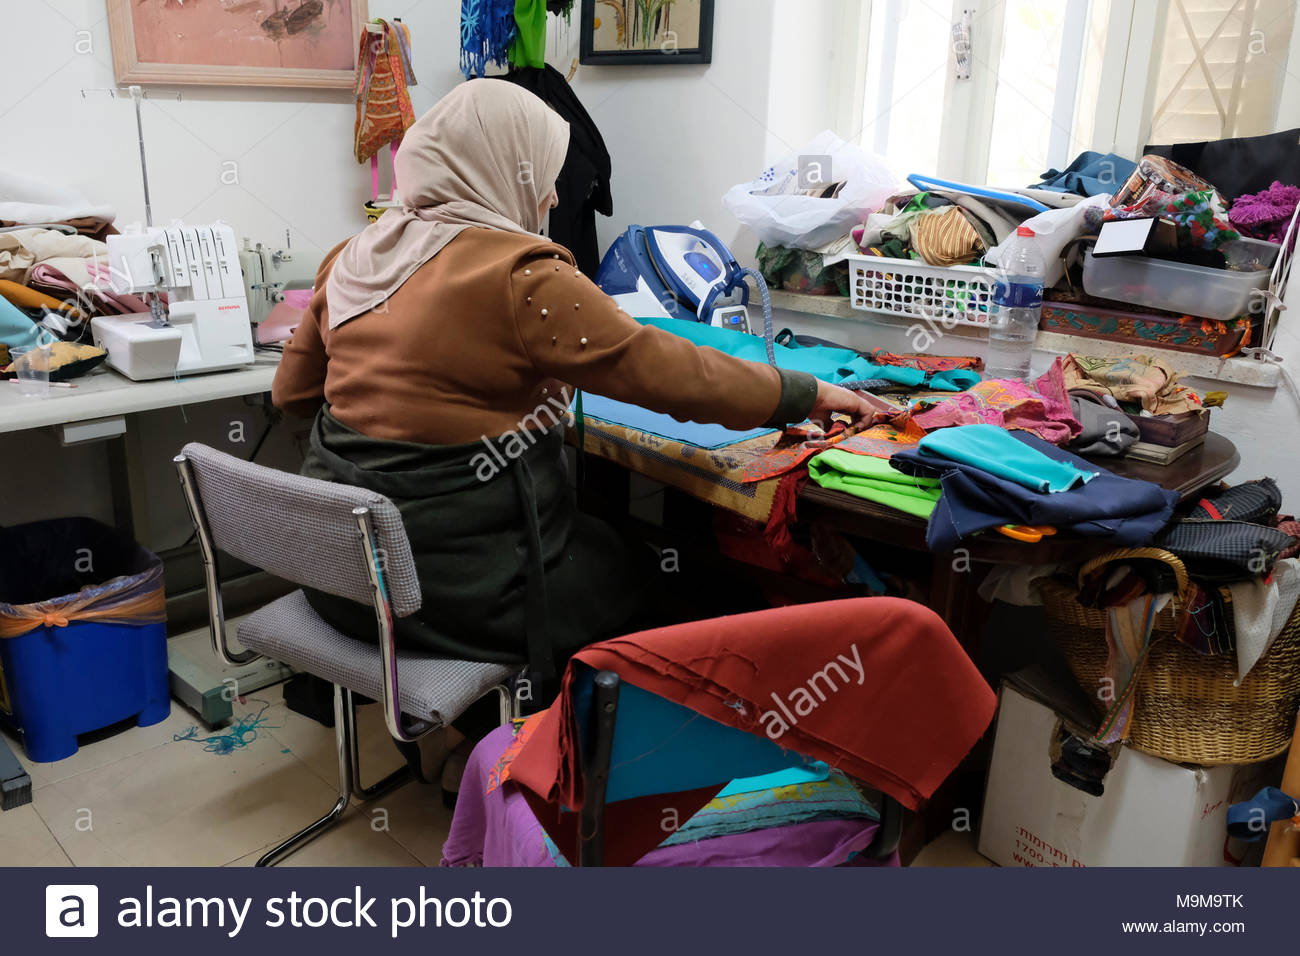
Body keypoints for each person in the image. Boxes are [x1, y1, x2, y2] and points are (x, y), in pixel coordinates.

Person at [271, 80, 874, 778]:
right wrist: (808, 392)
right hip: (459, 594)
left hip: (346, 584)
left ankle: (490, 726)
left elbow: (292, 396)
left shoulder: (352, 257)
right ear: (497, 167)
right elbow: (675, 375)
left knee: (613, 543)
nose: (555, 198)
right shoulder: (518, 272)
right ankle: (607, 767)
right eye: (545, 177)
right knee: (673, 576)